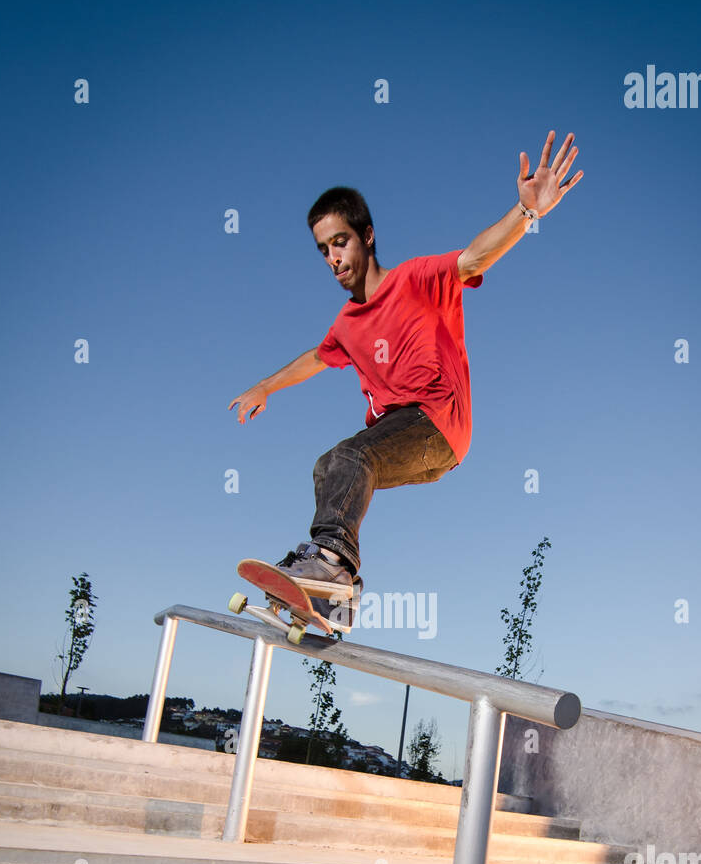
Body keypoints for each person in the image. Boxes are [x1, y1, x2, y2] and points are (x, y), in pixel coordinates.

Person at [229, 130, 583, 629]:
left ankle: (329, 565)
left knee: (351, 457)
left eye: (340, 242)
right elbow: (316, 357)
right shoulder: (347, 325)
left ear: (366, 236)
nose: (333, 258)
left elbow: (475, 257)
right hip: (402, 437)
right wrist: (266, 385)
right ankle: (335, 596)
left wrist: (526, 213)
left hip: (437, 424)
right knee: (329, 465)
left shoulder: (416, 278)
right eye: (323, 249)